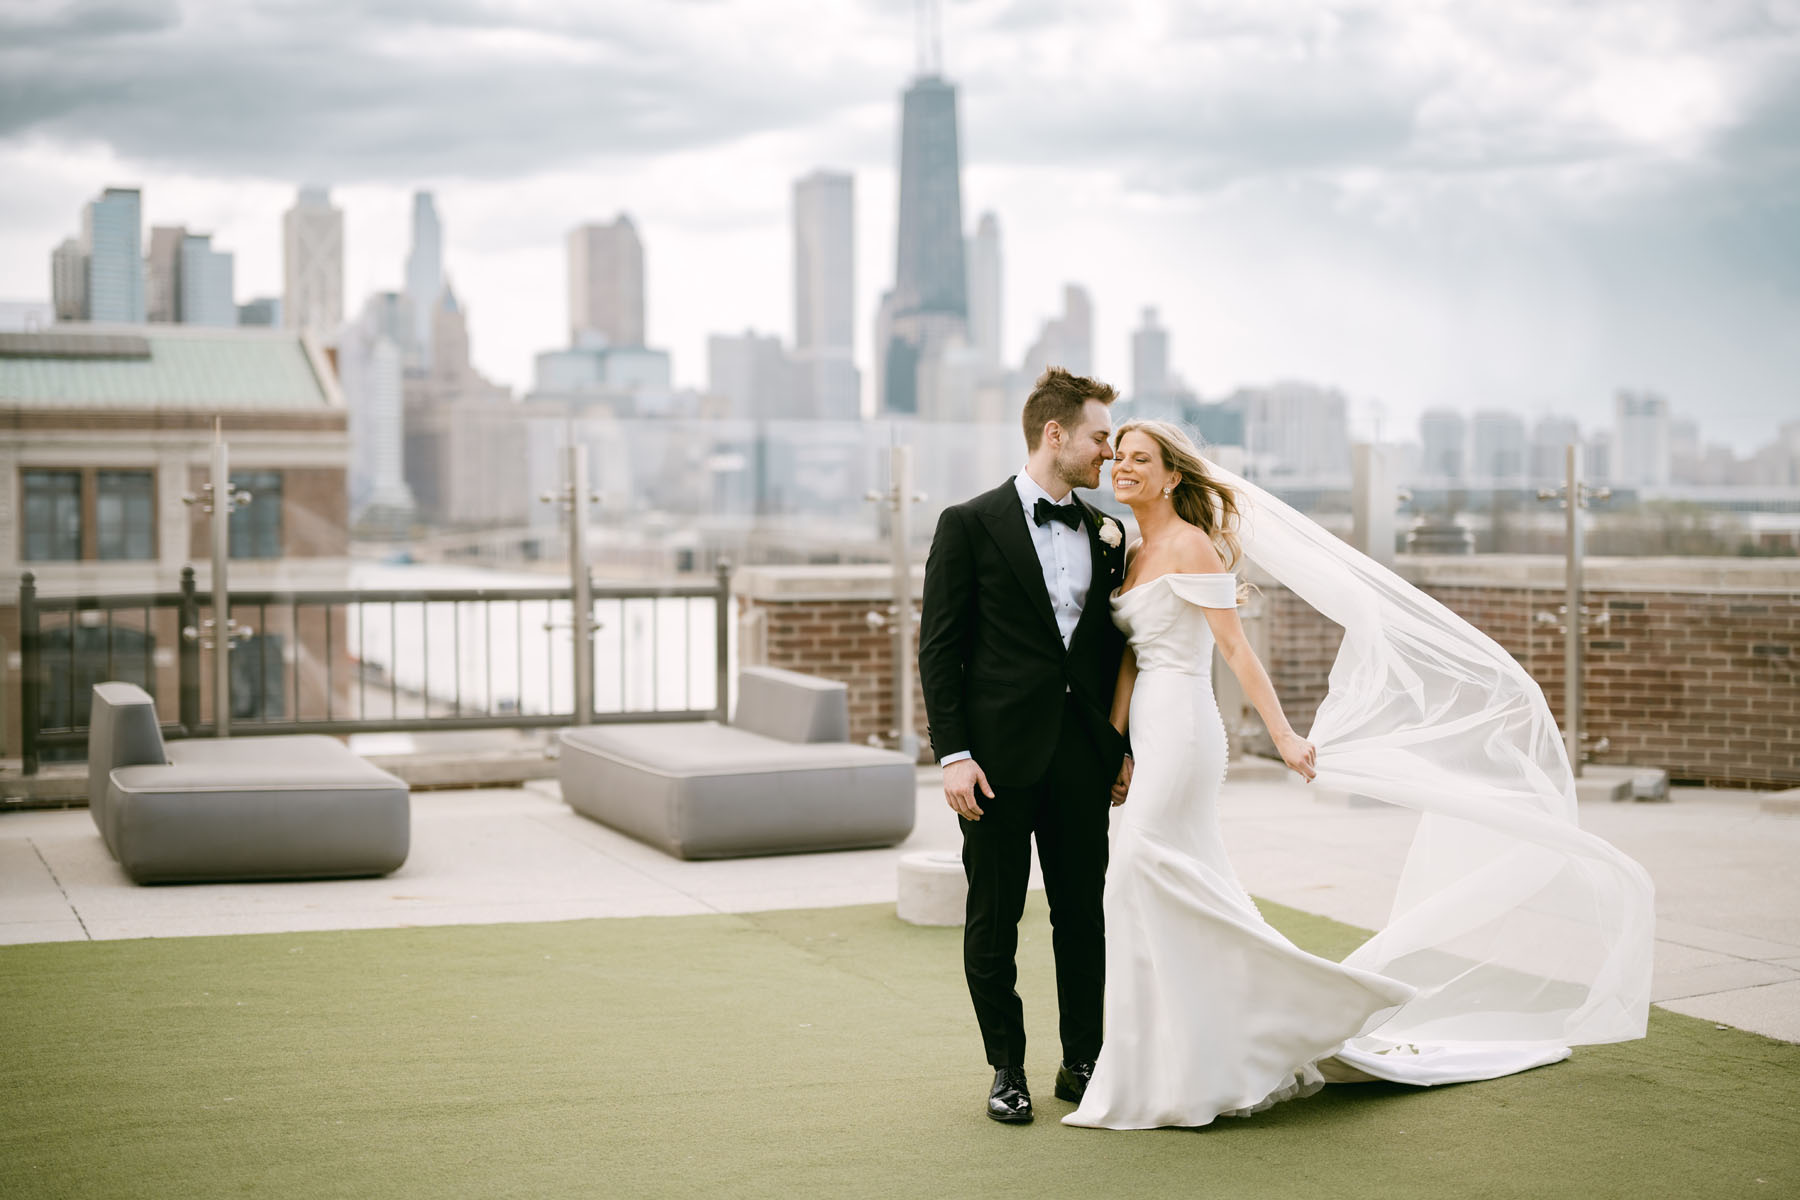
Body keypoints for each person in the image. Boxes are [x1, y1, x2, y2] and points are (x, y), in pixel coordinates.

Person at [1063, 420, 1653, 1130]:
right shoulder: (1131, 548)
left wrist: (1284, 735)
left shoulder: (1190, 544)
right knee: (1172, 886)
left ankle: (1258, 1030)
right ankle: (1189, 1062)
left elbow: (1236, 652)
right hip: (1150, 730)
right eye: (1118, 457)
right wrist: (1115, 743)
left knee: (1134, 875)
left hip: (1188, 728)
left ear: (1172, 476)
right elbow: (1130, 655)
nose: (1122, 467)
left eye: (1140, 459)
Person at [918, 367, 1135, 1124]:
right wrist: (953, 755)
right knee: (994, 917)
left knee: (1083, 916)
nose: (1109, 452)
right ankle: (1006, 1068)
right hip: (995, 764)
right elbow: (940, 652)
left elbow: (1117, 650)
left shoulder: (1111, 532)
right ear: (1055, 434)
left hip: (1083, 760)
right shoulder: (968, 523)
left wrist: (1121, 745)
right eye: (1100, 437)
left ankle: (1083, 1061)